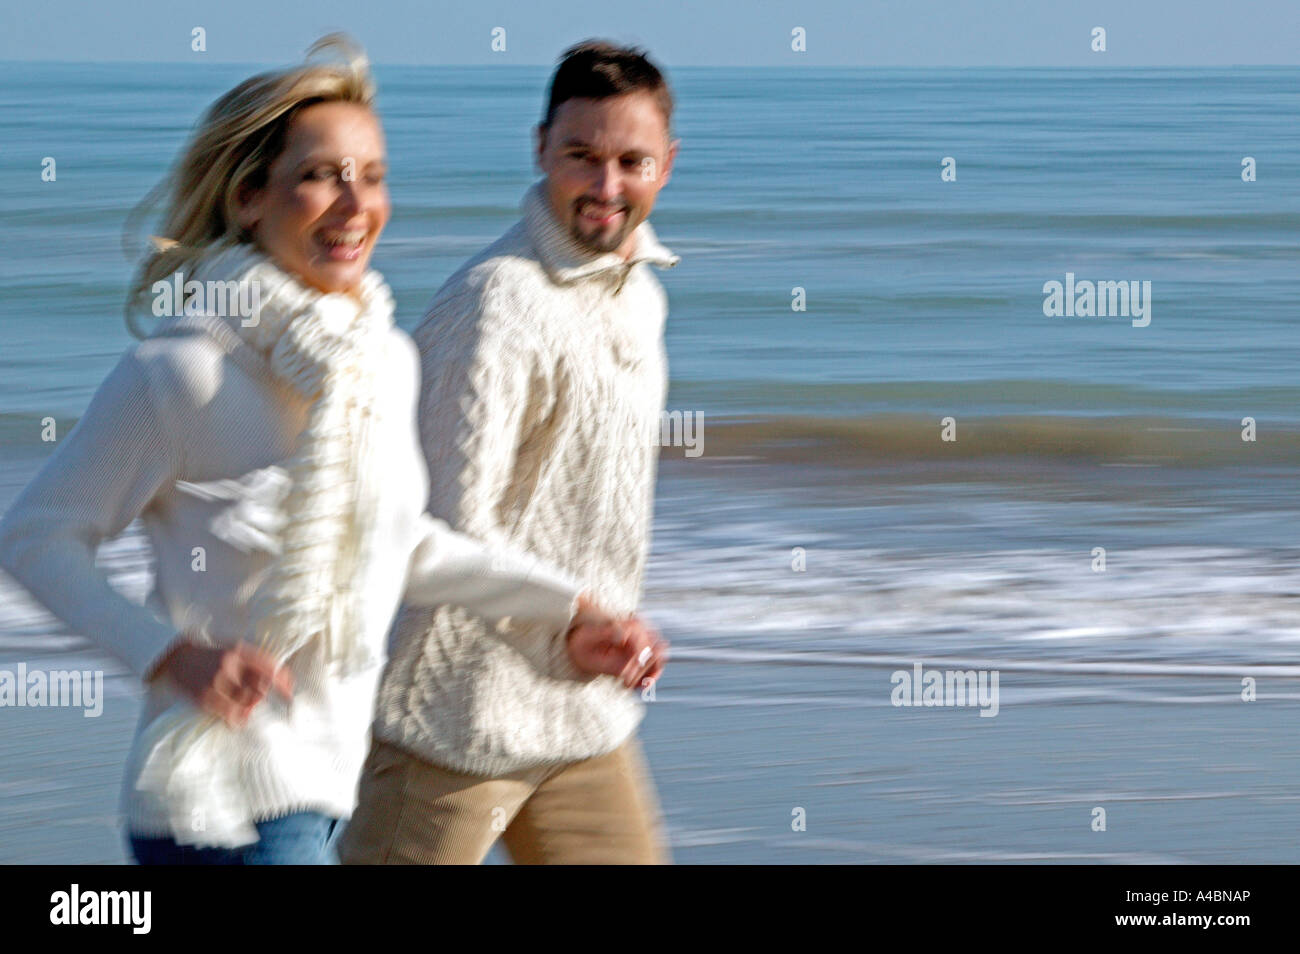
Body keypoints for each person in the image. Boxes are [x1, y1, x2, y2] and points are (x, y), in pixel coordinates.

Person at [0, 35, 635, 865]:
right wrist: (171, 656)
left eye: (371, 176)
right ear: (251, 198)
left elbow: (402, 544)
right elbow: (35, 538)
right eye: (320, 176)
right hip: (220, 807)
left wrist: (572, 612)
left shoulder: (379, 362)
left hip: (332, 790)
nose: (354, 204)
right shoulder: (183, 371)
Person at [341, 40, 680, 865]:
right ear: (540, 150)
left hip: (580, 712)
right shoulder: (495, 303)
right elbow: (444, 532)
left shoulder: (643, 296)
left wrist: (587, 637)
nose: (606, 187)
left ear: (665, 165)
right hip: (456, 719)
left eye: (631, 161)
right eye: (581, 157)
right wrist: (567, 619)